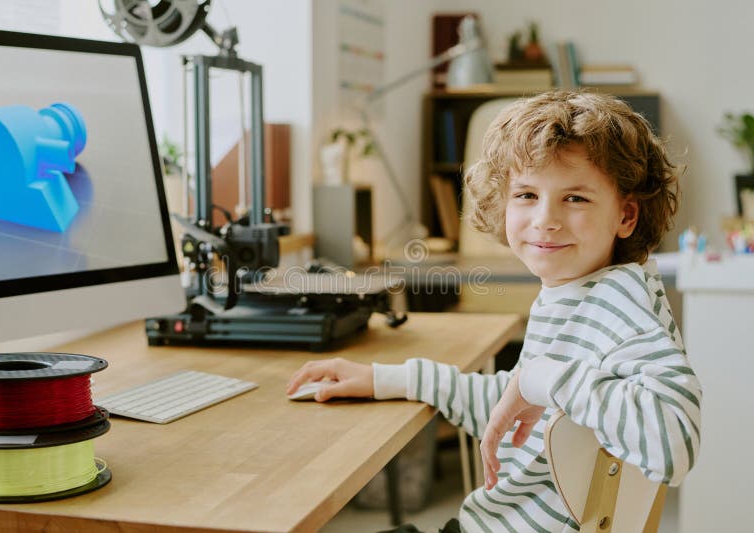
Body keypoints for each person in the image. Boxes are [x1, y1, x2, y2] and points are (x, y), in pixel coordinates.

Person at [286, 91, 702, 533]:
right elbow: (517, 400)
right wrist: (389, 379)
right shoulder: (579, 292)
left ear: (627, 215)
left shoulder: (618, 303)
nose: (545, 219)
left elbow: (675, 438)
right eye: (526, 194)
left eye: (576, 198)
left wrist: (539, 376)